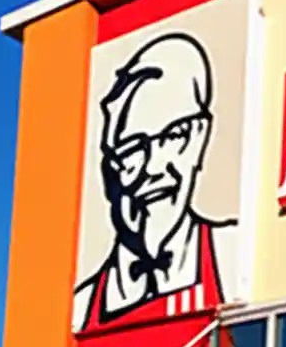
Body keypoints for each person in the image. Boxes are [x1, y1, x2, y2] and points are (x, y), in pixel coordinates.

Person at [73, 32, 239, 331]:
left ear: (200, 138)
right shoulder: (80, 308)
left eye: (174, 136)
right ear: (109, 167)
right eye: (133, 148)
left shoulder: (231, 258)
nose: (154, 167)